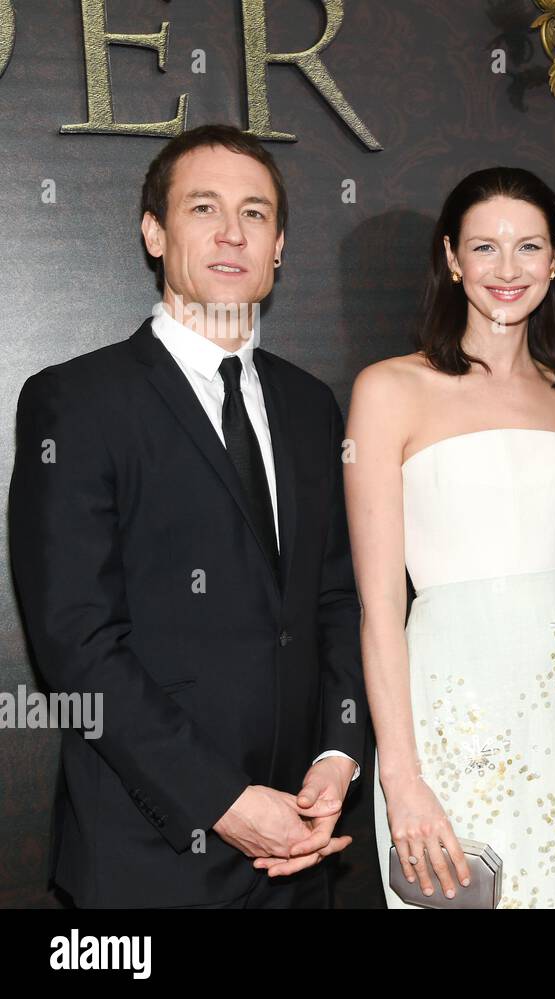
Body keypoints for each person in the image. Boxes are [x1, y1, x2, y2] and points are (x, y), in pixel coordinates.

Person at [9, 124, 365, 908]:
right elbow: (77, 644)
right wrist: (226, 802)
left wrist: (339, 751)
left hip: (305, 853)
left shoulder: (311, 406)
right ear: (154, 232)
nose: (232, 232)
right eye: (203, 208)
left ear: (278, 247)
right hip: (149, 856)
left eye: (256, 213)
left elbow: (336, 598)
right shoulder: (76, 401)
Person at [346, 167, 555, 908]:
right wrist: (401, 773)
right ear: (452, 259)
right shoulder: (389, 390)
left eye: (528, 247)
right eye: (484, 248)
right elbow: (378, 609)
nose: (507, 269)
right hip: (455, 716)